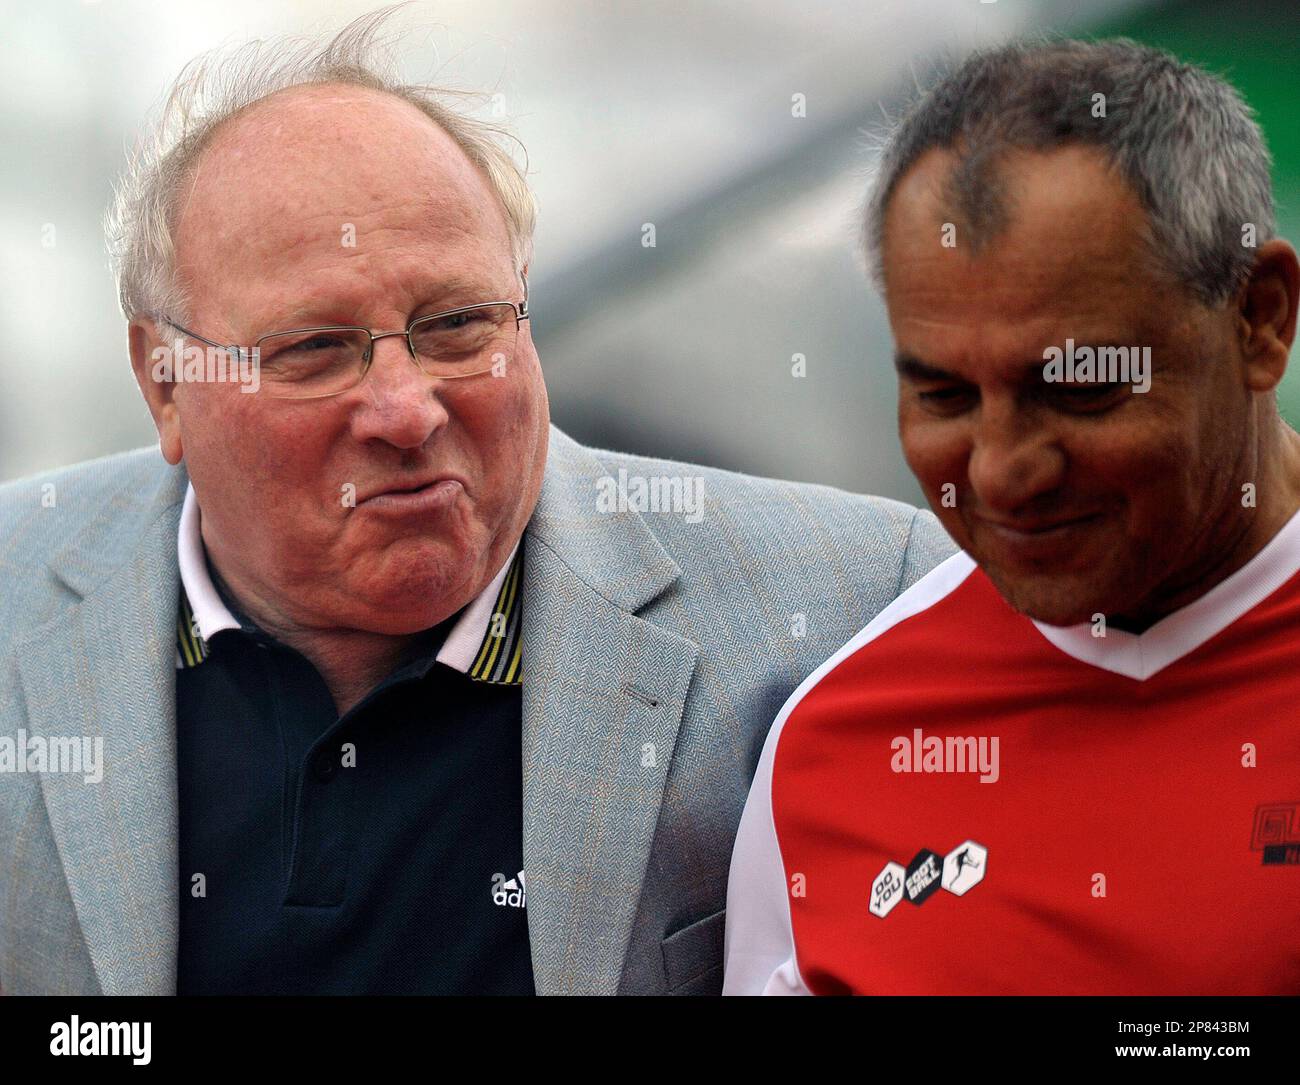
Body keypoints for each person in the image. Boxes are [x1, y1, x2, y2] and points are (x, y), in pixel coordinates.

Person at [0, 10, 951, 995]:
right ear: (164, 382)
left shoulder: (860, 607)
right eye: (315, 349)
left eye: (458, 324)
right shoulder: (14, 597)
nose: (406, 410)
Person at [723, 38, 1300, 995]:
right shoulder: (835, 739)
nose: (1002, 473)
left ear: (1260, 319)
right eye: (945, 397)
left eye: (1076, 388)